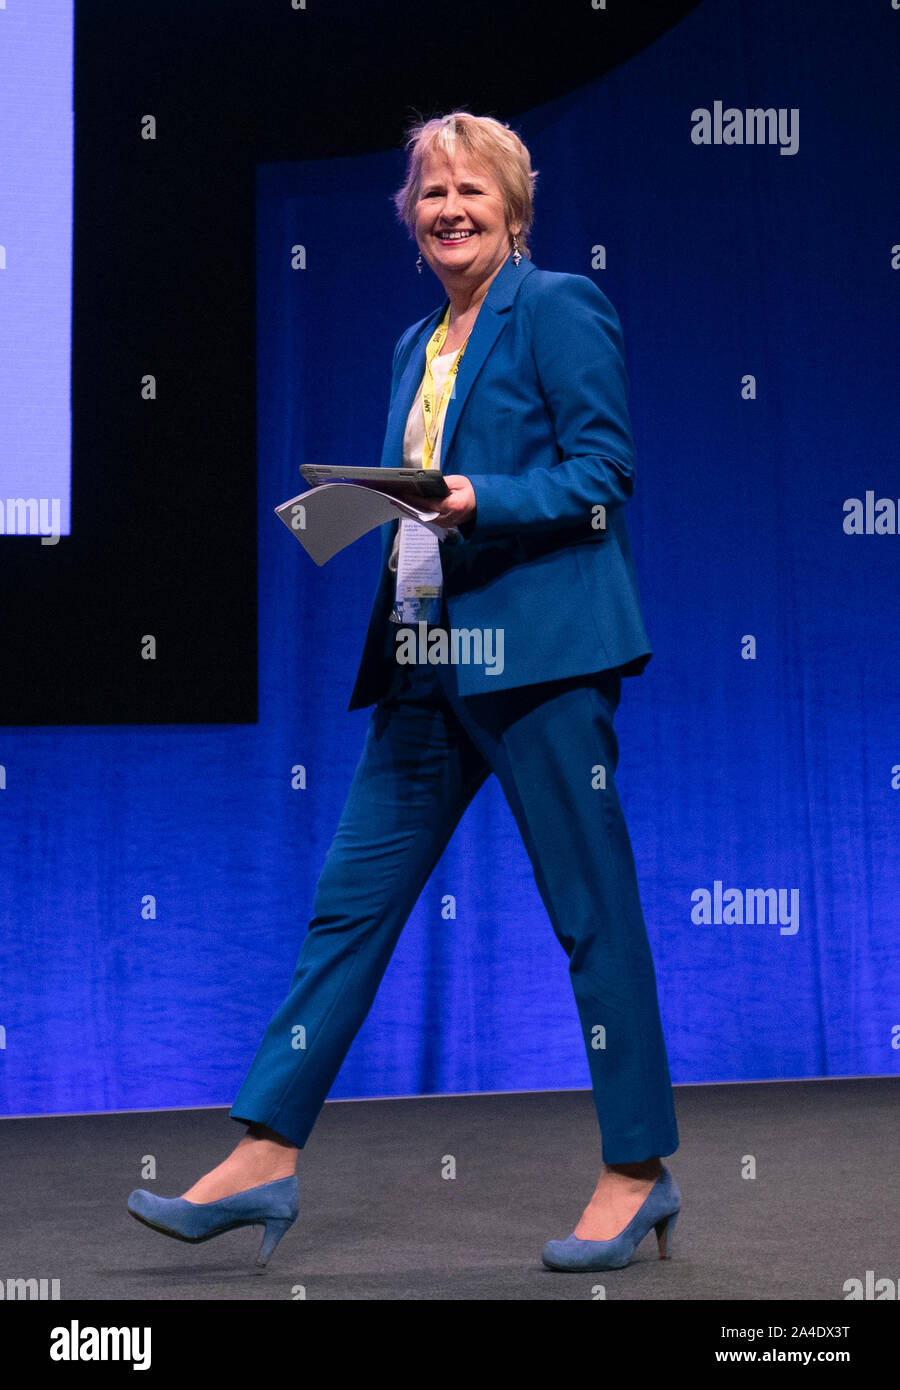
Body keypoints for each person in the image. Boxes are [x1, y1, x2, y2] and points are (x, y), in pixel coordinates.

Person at [128, 110, 681, 1273]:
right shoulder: (411, 344)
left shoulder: (558, 306)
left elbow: (602, 474)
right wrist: (370, 512)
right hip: (426, 664)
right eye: (431, 193)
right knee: (346, 912)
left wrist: (476, 497)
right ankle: (265, 1149)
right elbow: (416, 496)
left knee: (592, 918)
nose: (449, 210)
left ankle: (638, 1171)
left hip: (539, 658)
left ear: (515, 209)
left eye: (473, 191)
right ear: (410, 217)